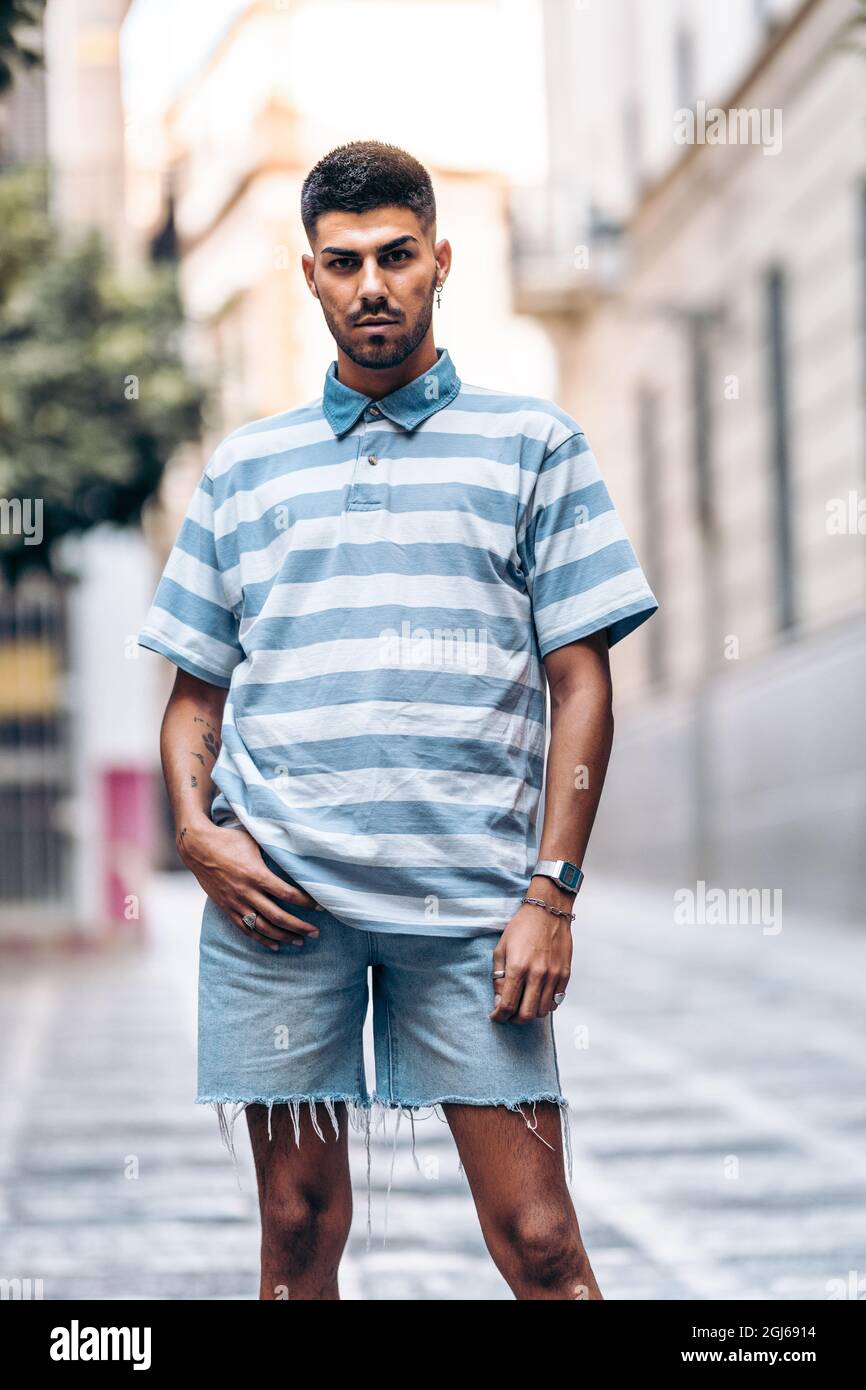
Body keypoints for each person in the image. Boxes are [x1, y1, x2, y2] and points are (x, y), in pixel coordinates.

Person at [138, 140, 658, 1300]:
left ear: (439, 262)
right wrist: (193, 830)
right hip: (278, 911)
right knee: (292, 1236)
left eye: (395, 256)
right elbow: (193, 700)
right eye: (342, 262)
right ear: (309, 276)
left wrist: (550, 893)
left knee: (540, 1242)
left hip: (473, 910)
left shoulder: (534, 445)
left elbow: (583, 685)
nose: (370, 285)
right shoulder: (243, 470)